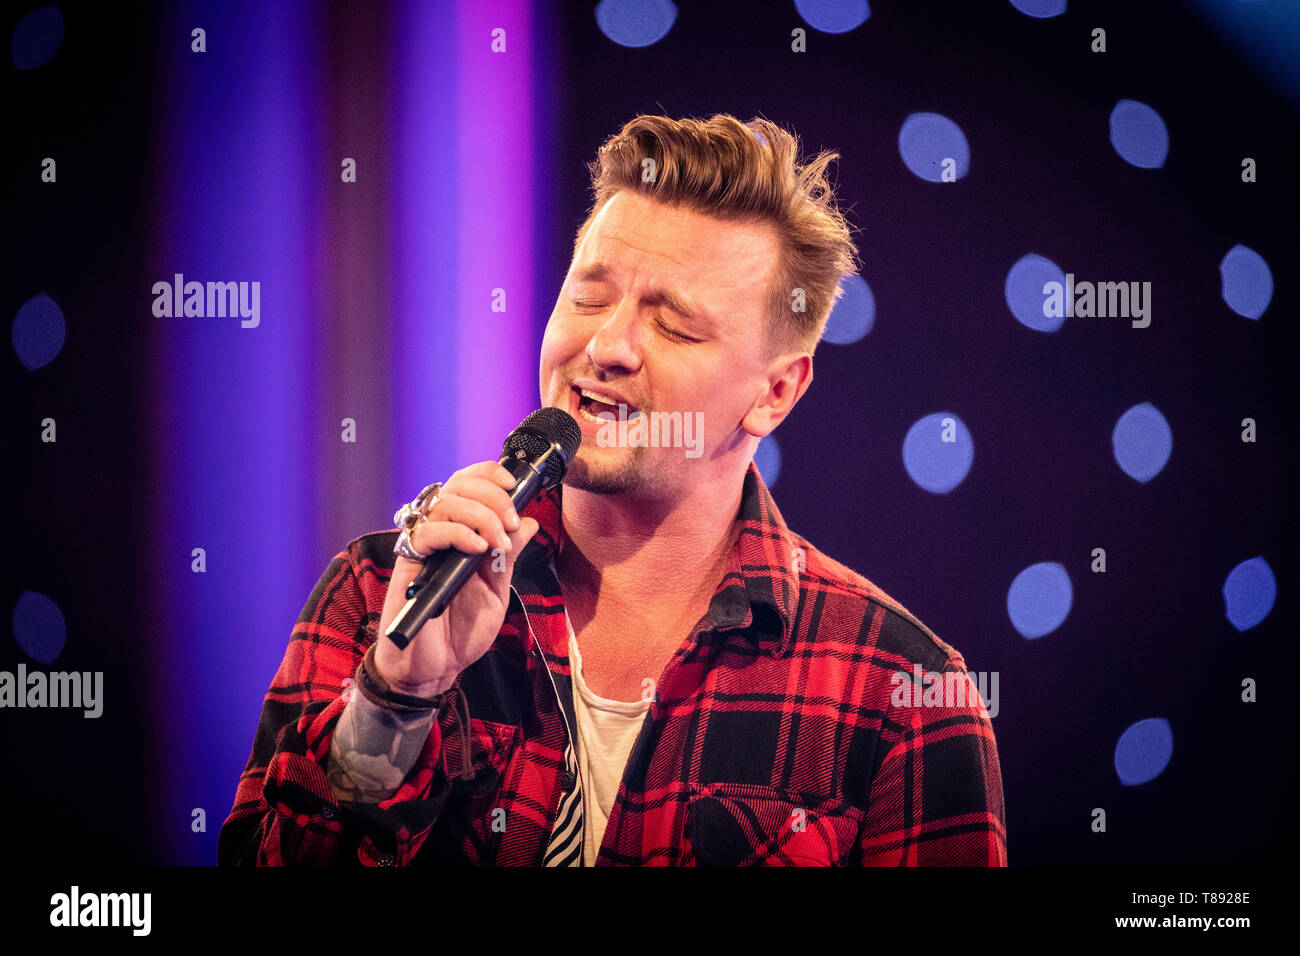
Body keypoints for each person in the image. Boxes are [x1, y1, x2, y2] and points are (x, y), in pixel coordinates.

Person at [218, 113, 1007, 866]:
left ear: (775, 393)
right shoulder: (383, 589)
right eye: (588, 296)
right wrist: (397, 697)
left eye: (675, 325)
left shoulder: (900, 691)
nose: (605, 345)